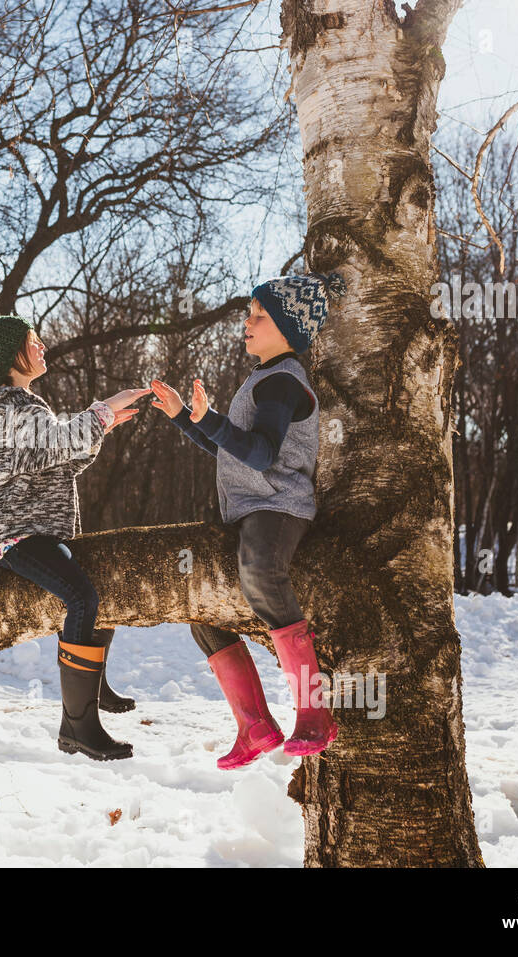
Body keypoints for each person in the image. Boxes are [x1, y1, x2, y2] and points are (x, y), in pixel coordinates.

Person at [150, 272, 345, 767]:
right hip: (245, 511)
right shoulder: (263, 378)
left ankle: (313, 712)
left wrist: (209, 418)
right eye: (249, 312)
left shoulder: (283, 382)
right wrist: (185, 418)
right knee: (202, 608)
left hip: (278, 507)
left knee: (260, 572)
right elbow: (229, 451)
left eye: (259, 314)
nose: (247, 322)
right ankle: (254, 726)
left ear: (287, 327)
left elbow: (259, 456)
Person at [0, 315, 150, 760]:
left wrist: (99, 429)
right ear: (9, 358)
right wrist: (103, 409)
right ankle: (77, 725)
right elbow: (57, 445)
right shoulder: (5, 409)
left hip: (35, 529)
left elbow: (59, 462)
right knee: (81, 597)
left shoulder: (22, 404)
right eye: (33, 343)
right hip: (11, 534)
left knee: (101, 580)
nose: (43, 348)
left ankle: (92, 689)